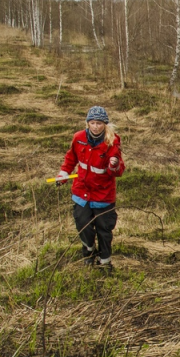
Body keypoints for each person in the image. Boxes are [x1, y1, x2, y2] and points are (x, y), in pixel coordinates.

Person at [55, 106, 126, 270]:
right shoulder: (78, 138)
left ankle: (105, 262)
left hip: (103, 196)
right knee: (83, 224)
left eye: (99, 123)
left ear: (104, 125)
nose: (95, 126)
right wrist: (62, 175)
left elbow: (118, 171)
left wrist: (114, 165)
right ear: (88, 123)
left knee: (104, 230)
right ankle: (89, 252)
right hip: (81, 192)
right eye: (92, 123)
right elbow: (70, 159)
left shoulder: (112, 142)